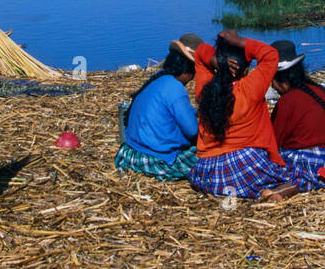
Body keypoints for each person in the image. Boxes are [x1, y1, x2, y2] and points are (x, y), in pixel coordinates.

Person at [187, 30, 301, 202]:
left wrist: (216, 60)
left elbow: (201, 51)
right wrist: (240, 41)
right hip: (242, 163)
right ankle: (268, 192)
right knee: (298, 177)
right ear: (246, 69)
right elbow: (271, 55)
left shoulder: (205, 91)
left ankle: (257, 192)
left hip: (208, 173)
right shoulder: (249, 89)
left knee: (240, 179)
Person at [114, 37, 200, 181]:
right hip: (156, 159)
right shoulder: (175, 88)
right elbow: (192, 131)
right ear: (189, 70)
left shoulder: (159, 78)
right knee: (212, 157)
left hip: (131, 152)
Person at [269, 39, 325, 190]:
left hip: (314, 161)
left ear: (280, 79)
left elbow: (274, 143)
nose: (272, 86)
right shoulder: (317, 90)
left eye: (272, 80)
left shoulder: (288, 101)